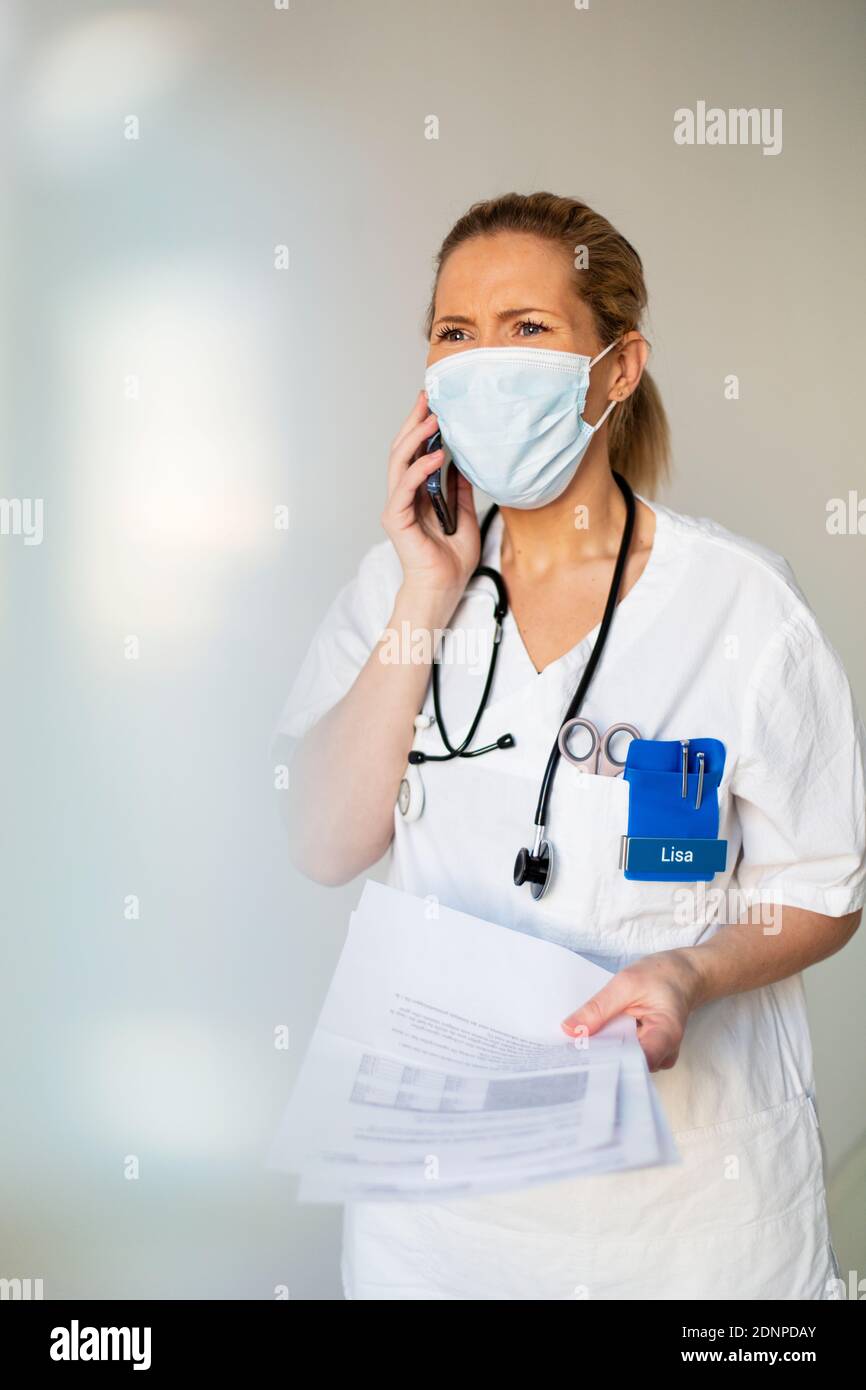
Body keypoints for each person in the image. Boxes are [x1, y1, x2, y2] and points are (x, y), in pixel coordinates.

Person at [276, 192, 865, 1300]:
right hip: (439, 1222)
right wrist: (424, 586)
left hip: (691, 1226)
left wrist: (691, 968)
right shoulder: (398, 586)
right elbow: (321, 840)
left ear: (616, 366)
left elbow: (825, 885)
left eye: (527, 327)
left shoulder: (739, 607)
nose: (482, 362)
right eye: (454, 334)